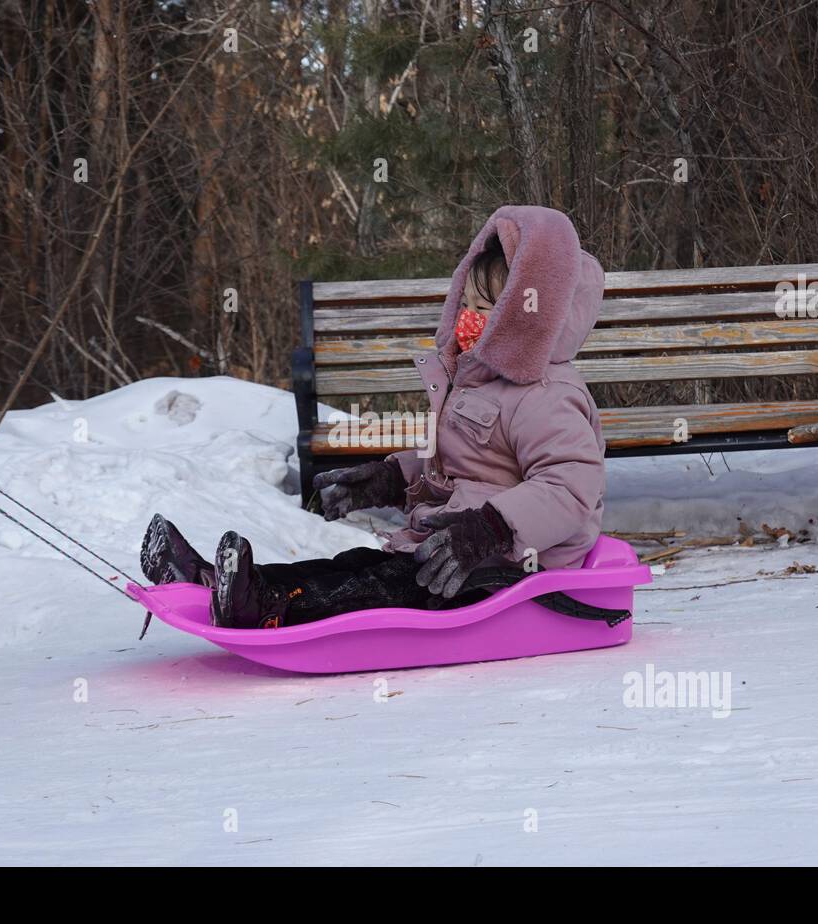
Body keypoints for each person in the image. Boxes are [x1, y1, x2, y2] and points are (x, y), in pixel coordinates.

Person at [142, 205, 607, 628]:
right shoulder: (477, 381)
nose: (467, 318)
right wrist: (387, 480)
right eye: (464, 305)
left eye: (485, 309)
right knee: (352, 566)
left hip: (509, 567)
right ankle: (224, 583)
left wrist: (489, 529)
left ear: (527, 317)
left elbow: (570, 488)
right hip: (452, 549)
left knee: (382, 589)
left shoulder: (548, 395)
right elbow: (456, 464)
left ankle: (266, 607)